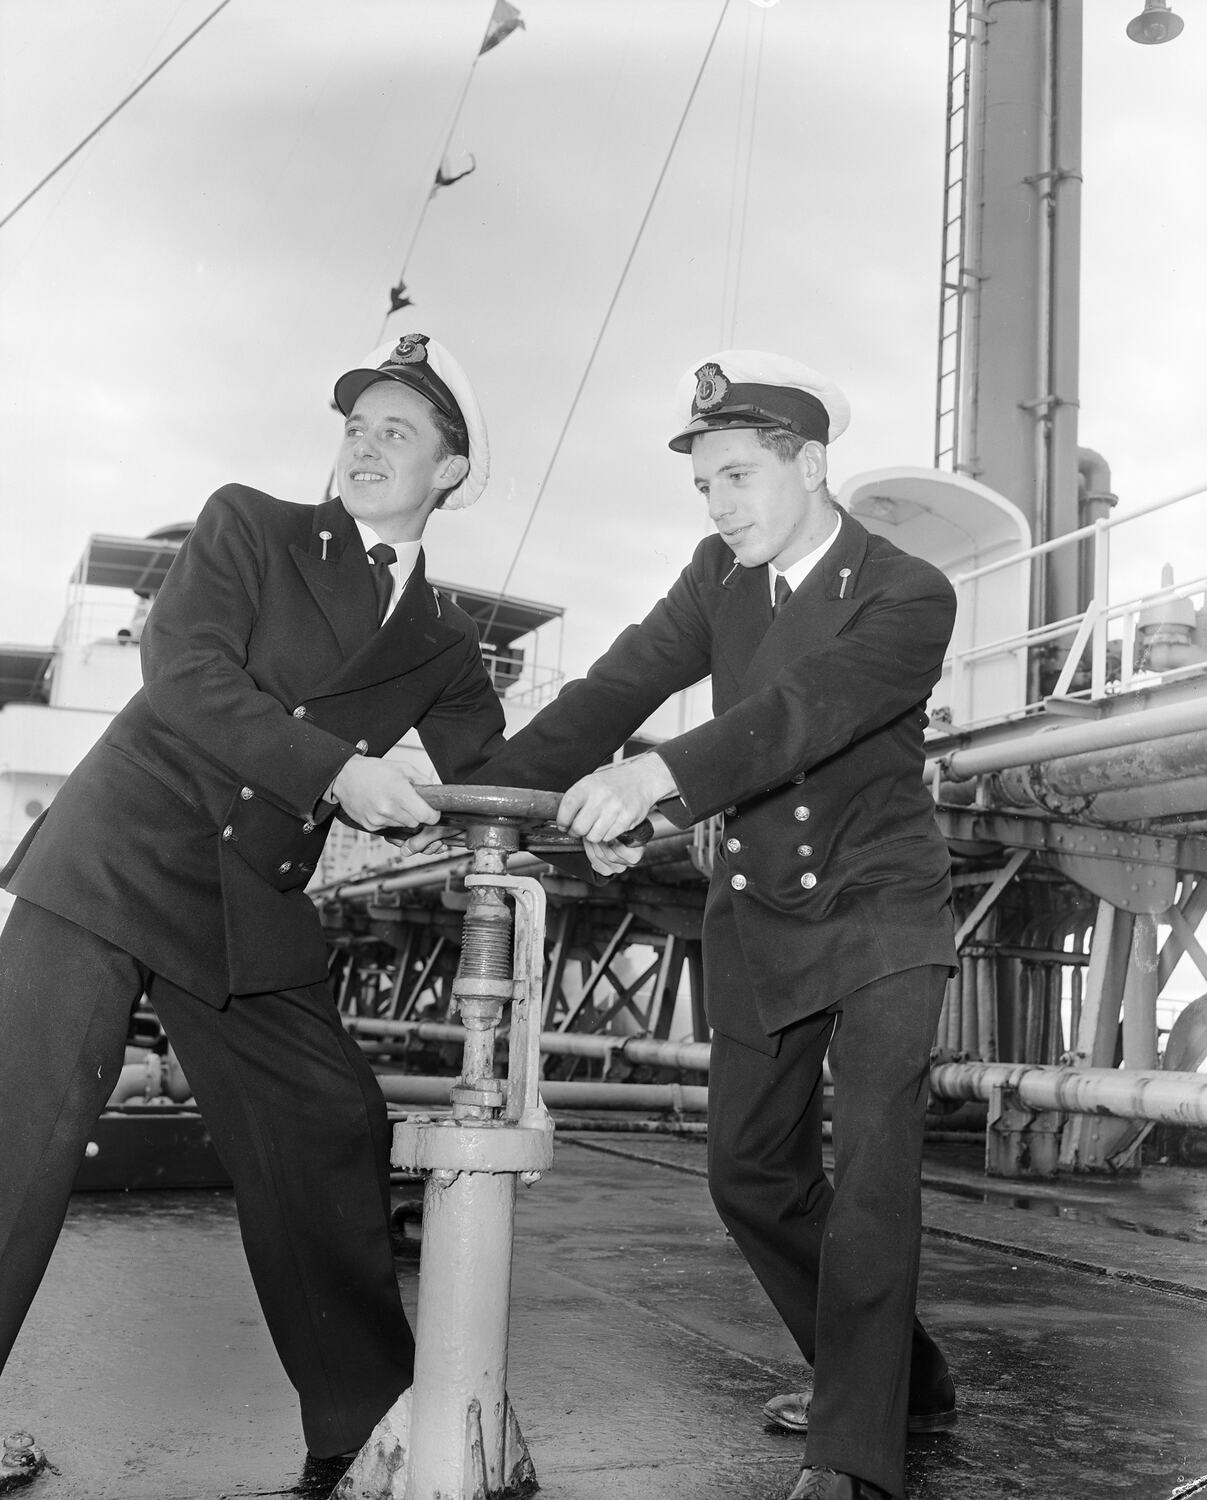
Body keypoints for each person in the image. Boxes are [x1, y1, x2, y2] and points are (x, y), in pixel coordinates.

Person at [0, 333, 505, 1484]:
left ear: (453, 472)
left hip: (245, 900)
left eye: (399, 432)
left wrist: (623, 799)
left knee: (330, 1125)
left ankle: (367, 1431)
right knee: (14, 1133)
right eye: (357, 426)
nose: (366, 448)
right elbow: (185, 672)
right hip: (118, 859)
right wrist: (334, 771)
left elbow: (505, 768)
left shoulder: (442, 643)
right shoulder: (252, 526)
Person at [455, 350, 959, 1500]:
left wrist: (659, 782)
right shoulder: (717, 577)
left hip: (881, 906)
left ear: (812, 464)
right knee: (748, 1175)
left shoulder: (906, 588)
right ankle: (891, 1376)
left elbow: (803, 711)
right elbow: (613, 688)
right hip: (763, 910)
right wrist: (483, 797)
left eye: (738, 477)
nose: (720, 507)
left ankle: (853, 1449)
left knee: (873, 1177)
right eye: (704, 488)